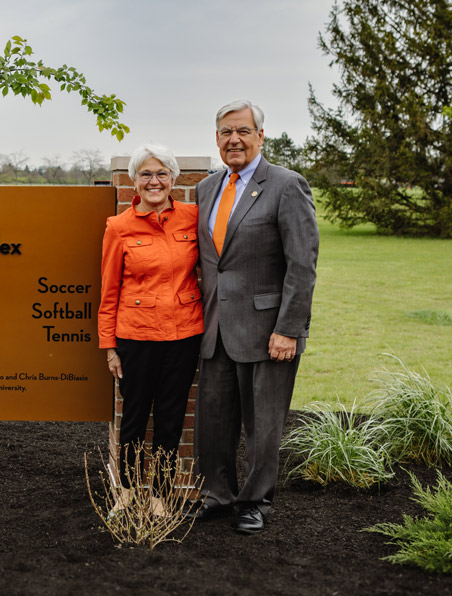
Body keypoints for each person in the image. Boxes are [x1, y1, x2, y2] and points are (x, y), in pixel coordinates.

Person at [191, 100, 319, 534]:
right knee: (213, 419)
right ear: (217, 138)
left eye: (243, 131)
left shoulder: (286, 185)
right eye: (226, 132)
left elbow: (302, 265)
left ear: (261, 136)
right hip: (215, 330)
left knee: (263, 424)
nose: (234, 139)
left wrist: (288, 328)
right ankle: (217, 495)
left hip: (268, 332)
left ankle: (255, 501)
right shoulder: (206, 189)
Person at [98, 144, 203, 516]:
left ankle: (159, 495)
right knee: (135, 417)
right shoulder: (119, 227)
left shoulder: (191, 216)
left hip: (184, 335)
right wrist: (110, 346)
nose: (154, 181)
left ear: (173, 179)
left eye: (161, 174)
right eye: (146, 174)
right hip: (136, 337)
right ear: (135, 182)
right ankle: (126, 492)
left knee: (171, 418)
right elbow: (109, 289)